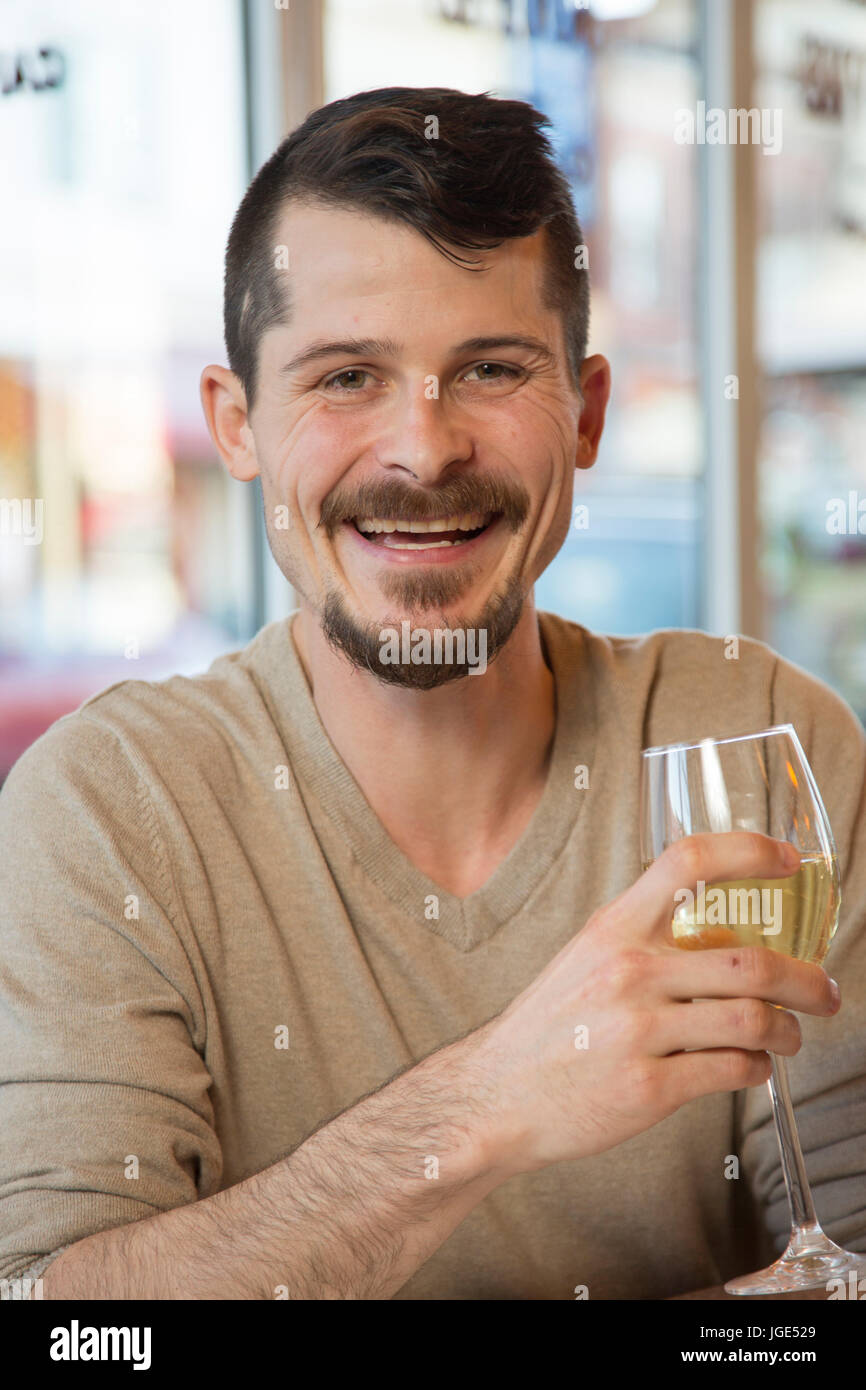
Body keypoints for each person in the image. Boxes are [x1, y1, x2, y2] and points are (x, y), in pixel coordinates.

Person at [1, 86, 863, 1302]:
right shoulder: (106, 810)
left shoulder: (754, 739)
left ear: (586, 413)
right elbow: (62, 1320)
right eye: (347, 376)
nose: (422, 448)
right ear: (236, 423)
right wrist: (493, 1097)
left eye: (490, 369)